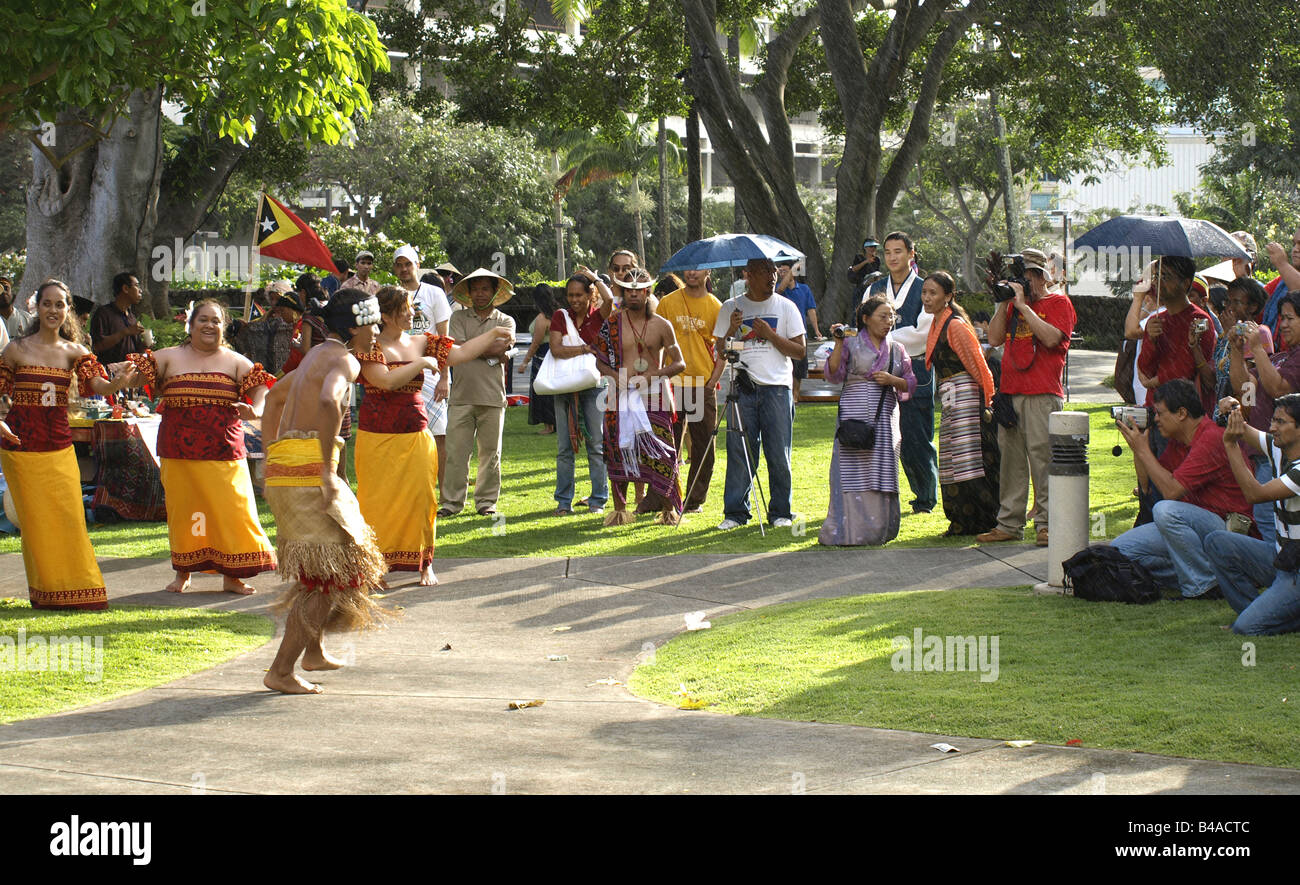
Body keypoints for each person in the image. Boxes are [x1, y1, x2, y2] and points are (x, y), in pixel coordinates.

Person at [258, 289, 391, 694]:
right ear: (353, 326)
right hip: (309, 472)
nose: (376, 332)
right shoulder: (345, 359)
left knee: (322, 569)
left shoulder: (315, 354)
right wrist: (327, 471)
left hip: (288, 469)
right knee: (330, 578)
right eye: (372, 324)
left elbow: (274, 398)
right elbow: (330, 401)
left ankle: (312, 651)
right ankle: (281, 670)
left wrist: (270, 455)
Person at [356, 285, 512, 585]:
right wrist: (421, 363)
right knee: (377, 501)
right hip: (375, 436)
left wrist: (493, 335)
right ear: (387, 316)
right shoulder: (370, 347)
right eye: (406, 309)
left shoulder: (422, 341)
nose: (413, 313)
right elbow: (385, 382)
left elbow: (463, 352)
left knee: (422, 499)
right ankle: (375, 564)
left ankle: (424, 562)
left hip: (415, 432)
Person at [0, 280, 138, 610]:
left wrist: (117, 382)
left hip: (59, 444)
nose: (53, 310)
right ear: (37, 307)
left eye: (59, 304)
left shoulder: (76, 352)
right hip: (20, 446)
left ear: (67, 311)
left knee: (68, 515)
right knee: (34, 521)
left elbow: (98, 385)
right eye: (47, 303)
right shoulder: (16, 348)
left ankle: (78, 589)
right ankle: (46, 591)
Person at [125, 300, 276, 595]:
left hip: (224, 450)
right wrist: (126, 373)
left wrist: (255, 410)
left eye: (216, 321)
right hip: (178, 450)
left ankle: (232, 575)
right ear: (191, 325)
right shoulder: (168, 357)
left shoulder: (236, 361)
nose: (210, 325)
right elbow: (135, 376)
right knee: (187, 513)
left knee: (233, 510)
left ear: (224, 327)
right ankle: (184, 572)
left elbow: (261, 392)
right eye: (203, 320)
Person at [1111, 379, 1254, 598]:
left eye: (1160, 413)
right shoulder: (1179, 441)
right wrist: (1139, 448)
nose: (1156, 419)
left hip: (1228, 529)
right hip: (1193, 528)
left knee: (1165, 511)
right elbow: (1148, 485)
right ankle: (1211, 574)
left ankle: (1204, 586)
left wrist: (1144, 451)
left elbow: (1171, 492)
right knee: (1119, 551)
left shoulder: (1210, 438)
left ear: (1182, 413)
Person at [977, 248, 1076, 547]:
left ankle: (1047, 524)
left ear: (1040, 277)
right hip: (1010, 392)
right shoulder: (1011, 307)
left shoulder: (1059, 302)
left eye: (1028, 277)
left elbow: (1051, 339)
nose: (1023, 283)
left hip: (1042, 393)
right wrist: (1002, 303)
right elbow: (994, 339)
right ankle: (1008, 523)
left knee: (1043, 460)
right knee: (1012, 462)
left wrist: (1025, 308)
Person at [708, 257, 806, 530]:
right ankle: (735, 513)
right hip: (743, 388)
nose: (772, 276)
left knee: (778, 452)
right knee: (740, 452)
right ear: (747, 275)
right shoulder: (731, 307)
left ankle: (780, 512)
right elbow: (723, 351)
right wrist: (731, 328)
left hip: (777, 389)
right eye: (765, 271)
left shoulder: (786, 307)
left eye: (774, 270)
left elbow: (799, 351)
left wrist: (770, 335)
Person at [819, 297, 916, 546]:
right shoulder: (851, 342)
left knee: (881, 469)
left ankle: (877, 531)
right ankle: (849, 531)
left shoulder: (897, 349)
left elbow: (910, 383)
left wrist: (892, 381)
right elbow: (833, 373)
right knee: (852, 469)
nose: (888, 322)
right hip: (854, 412)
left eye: (891, 317)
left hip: (885, 415)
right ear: (865, 318)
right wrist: (839, 344)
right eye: (882, 316)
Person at [595, 268, 685, 525]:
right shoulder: (612, 323)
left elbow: (679, 363)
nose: (634, 294)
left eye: (639, 290)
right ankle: (620, 511)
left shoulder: (662, 325)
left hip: (655, 396)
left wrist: (654, 374)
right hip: (620, 395)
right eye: (629, 289)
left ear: (648, 292)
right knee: (617, 450)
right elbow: (599, 361)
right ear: (623, 292)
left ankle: (668, 510)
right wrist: (615, 375)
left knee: (662, 453)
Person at [1204, 396, 1300, 634]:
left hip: (1296, 570)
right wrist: (1232, 408)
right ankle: (1253, 613)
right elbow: (1243, 429)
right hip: (1282, 560)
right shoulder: (1279, 447)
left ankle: (1260, 619)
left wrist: (1231, 446)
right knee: (1217, 542)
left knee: (1246, 629)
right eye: (1273, 420)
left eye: (1281, 422)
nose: (1272, 427)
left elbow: (1255, 494)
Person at [921, 272, 999, 536]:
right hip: (950, 396)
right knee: (953, 459)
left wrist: (988, 399)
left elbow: (979, 365)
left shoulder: (954, 325)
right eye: (925, 292)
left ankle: (981, 519)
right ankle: (960, 520)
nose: (927, 298)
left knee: (969, 460)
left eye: (933, 293)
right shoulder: (937, 323)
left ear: (948, 296)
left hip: (966, 395)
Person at [866, 232, 938, 514]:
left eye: (899, 251)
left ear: (911, 253)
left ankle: (925, 497)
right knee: (880, 434)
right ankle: (882, 494)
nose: (893, 257)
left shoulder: (925, 288)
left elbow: (923, 333)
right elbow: (862, 323)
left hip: (915, 368)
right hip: (879, 369)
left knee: (916, 435)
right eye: (888, 252)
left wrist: (881, 336)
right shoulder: (875, 289)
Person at [440, 268, 516, 517]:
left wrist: (470, 347)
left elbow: (499, 347)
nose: (480, 294)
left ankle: (486, 503)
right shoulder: (458, 319)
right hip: (460, 396)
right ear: (469, 293)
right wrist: (489, 346)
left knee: (491, 455)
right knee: (455, 454)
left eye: (485, 289)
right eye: (476, 289)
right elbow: (457, 347)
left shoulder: (505, 320)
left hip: (493, 397)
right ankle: (451, 504)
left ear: (495, 292)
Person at [1227, 293, 1300, 547]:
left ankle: (1280, 573)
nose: (1284, 324)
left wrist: (1257, 348)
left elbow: (1280, 390)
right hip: (1266, 450)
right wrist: (1237, 351)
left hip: (1287, 453)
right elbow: (1245, 387)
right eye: (1282, 318)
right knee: (1267, 519)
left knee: (1273, 521)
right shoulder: (1283, 357)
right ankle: (1278, 572)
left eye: (1290, 318)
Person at [655, 267, 722, 513]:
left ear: (708, 271)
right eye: (689, 268)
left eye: (699, 268)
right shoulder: (667, 302)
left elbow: (723, 349)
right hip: (671, 383)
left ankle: (693, 501)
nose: (692, 273)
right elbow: (657, 342)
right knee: (663, 442)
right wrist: (659, 377)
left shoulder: (716, 306)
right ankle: (663, 497)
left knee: (703, 445)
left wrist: (713, 379)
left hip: (701, 384)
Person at [550, 269, 614, 515]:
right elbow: (556, 349)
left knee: (596, 444)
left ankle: (598, 499)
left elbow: (610, 301)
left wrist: (595, 277)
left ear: (590, 295)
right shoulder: (560, 316)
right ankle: (563, 502)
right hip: (564, 386)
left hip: (594, 386)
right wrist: (585, 348)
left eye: (579, 295)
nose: (574, 300)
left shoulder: (598, 316)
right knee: (565, 447)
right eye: (570, 295)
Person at [394, 244, 453, 489]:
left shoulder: (433, 293)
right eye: (399, 265)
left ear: (417, 265)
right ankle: (411, 487)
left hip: (431, 372)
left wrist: (444, 378)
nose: (404, 269)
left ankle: (444, 492)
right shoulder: (391, 295)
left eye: (408, 264)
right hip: (400, 370)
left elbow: (444, 339)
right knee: (404, 434)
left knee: (439, 433)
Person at [776, 259, 821, 403]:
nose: (782, 274)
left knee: (799, 368)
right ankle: (787, 395)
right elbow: (780, 289)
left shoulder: (804, 289)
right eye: (780, 271)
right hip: (783, 334)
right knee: (786, 365)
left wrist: (816, 330)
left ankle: (795, 395)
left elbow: (811, 310)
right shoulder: (778, 289)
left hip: (800, 333)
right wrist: (792, 269)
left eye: (785, 271)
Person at [517, 283, 557, 435]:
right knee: (551, 389)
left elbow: (536, 342)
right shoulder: (556, 313)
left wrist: (525, 362)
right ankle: (554, 423)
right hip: (551, 354)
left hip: (543, 356)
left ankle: (549, 425)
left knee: (543, 390)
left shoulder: (542, 318)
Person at [90, 271, 145, 366]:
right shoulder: (104, 313)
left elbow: (136, 349)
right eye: (137, 286)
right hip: (109, 373)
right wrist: (125, 332)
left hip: (130, 371)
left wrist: (145, 345)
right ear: (125, 288)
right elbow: (97, 346)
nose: (140, 291)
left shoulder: (131, 316)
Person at [1262, 228, 1300, 337]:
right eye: (1294, 244)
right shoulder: (1281, 282)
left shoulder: (1285, 270)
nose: (1295, 249)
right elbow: (1258, 301)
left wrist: (1282, 264)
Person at [0, 275, 31, 340]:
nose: (4, 292)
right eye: (0, 289)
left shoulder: (27, 319)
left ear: (12, 294)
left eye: (6, 288)